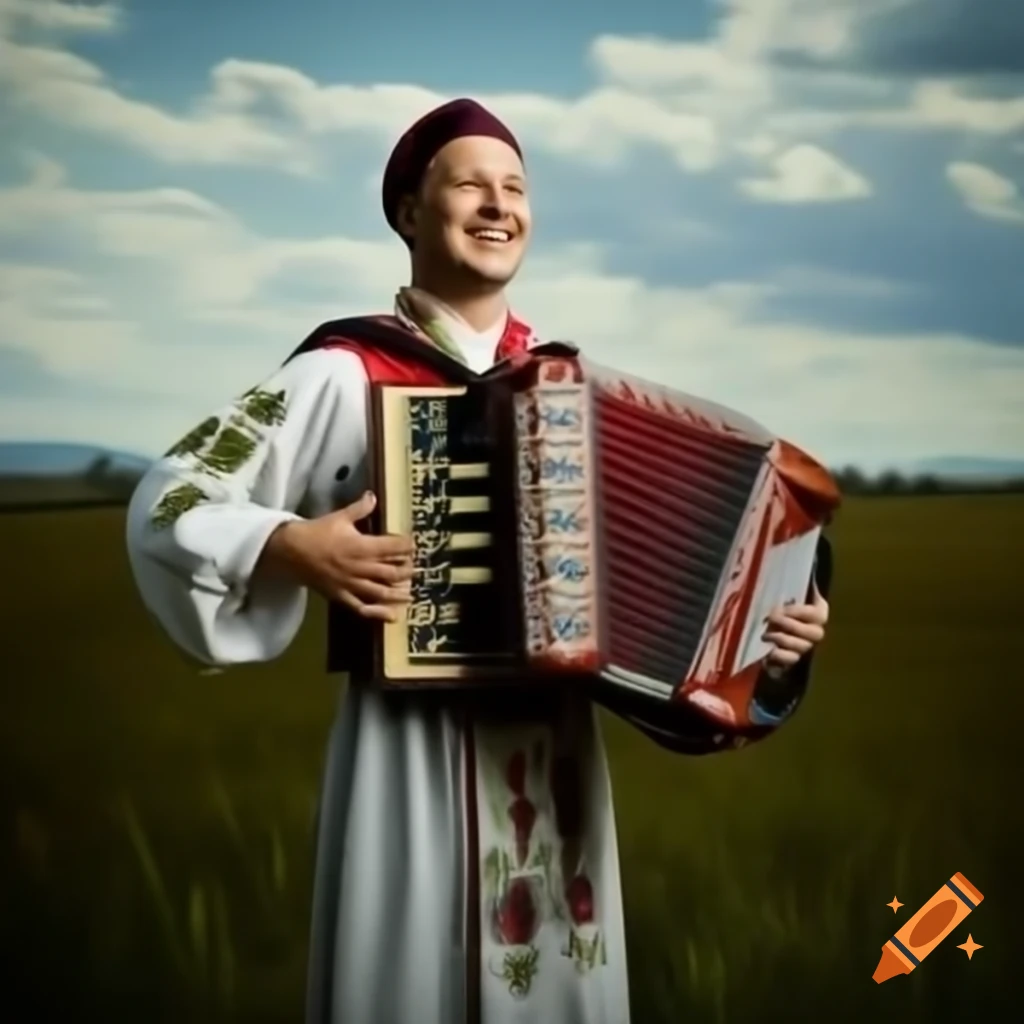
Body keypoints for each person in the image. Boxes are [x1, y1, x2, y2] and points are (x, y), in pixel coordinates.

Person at [125, 98, 831, 1024]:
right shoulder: (344, 372)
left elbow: (687, 625)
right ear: (410, 212)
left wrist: (773, 643)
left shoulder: (574, 391)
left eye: (516, 188)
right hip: (407, 758)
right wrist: (291, 544)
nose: (498, 205)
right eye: (470, 185)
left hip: (557, 761)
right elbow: (174, 493)